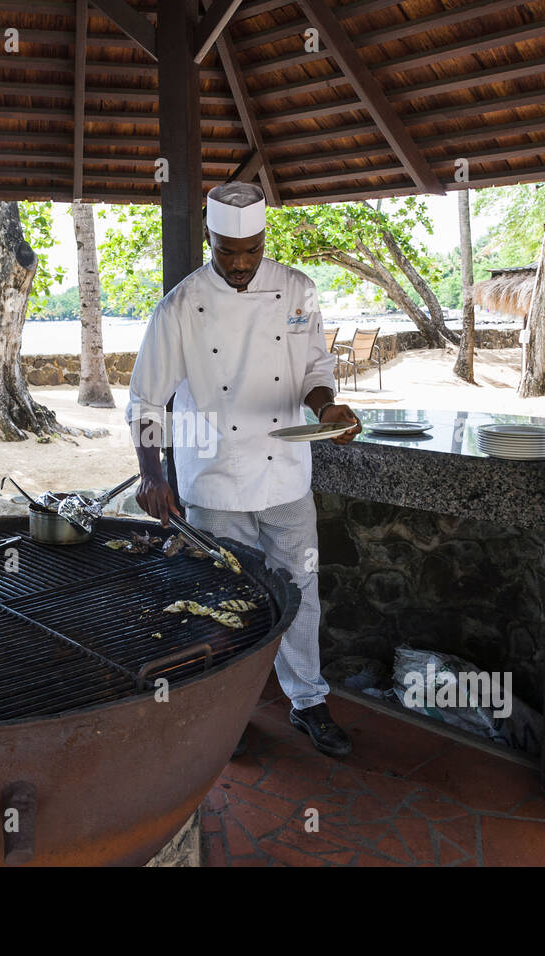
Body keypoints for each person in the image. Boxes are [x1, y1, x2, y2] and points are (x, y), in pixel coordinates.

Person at [125, 181, 361, 759]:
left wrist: (326, 406)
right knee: (223, 594)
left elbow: (312, 368)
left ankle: (308, 701)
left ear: (263, 240)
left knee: (300, 585)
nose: (239, 265)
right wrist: (152, 473)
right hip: (215, 478)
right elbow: (147, 401)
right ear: (208, 239)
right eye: (228, 252)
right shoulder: (180, 305)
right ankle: (227, 710)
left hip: (285, 474)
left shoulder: (298, 290)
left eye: (251, 251)